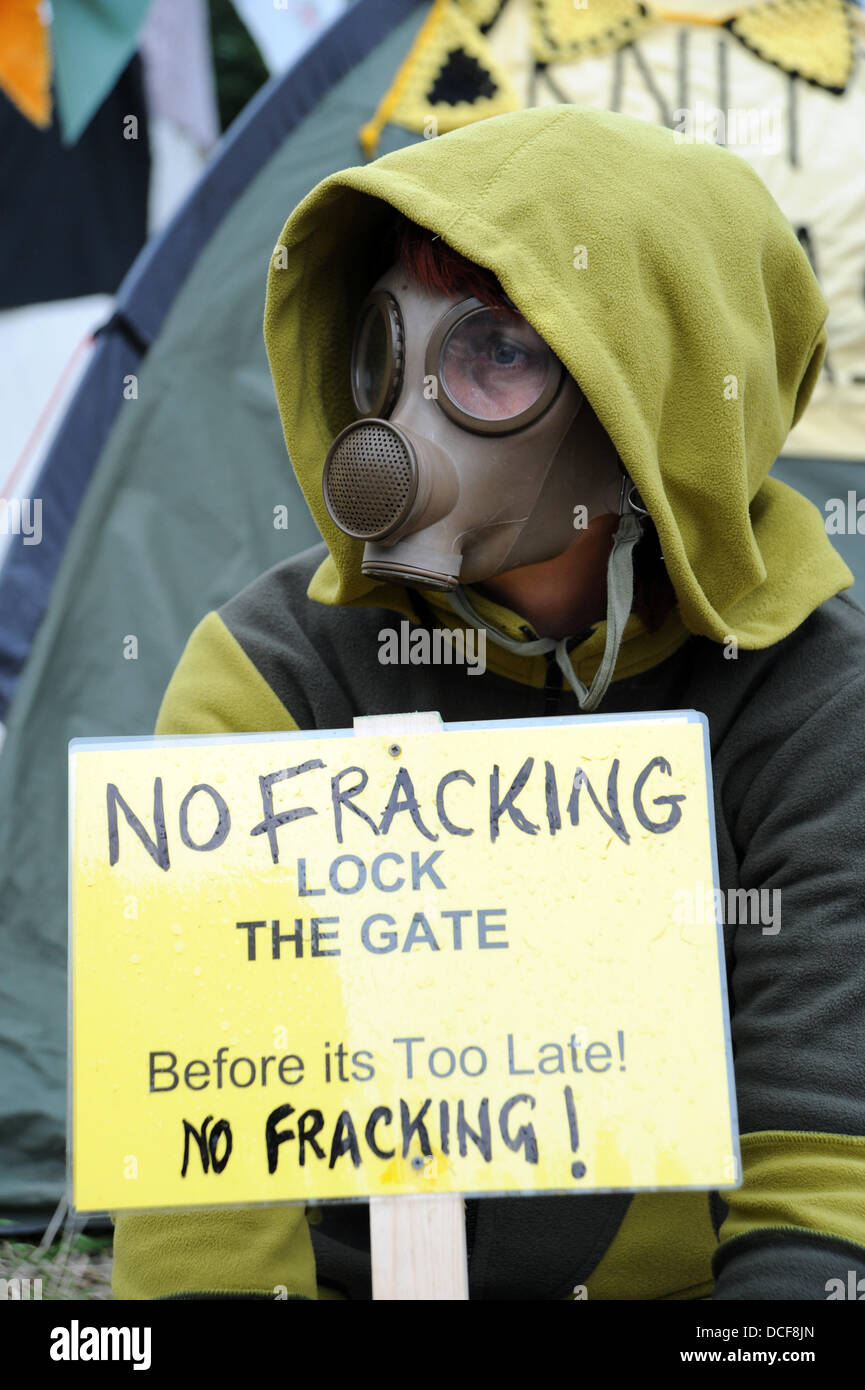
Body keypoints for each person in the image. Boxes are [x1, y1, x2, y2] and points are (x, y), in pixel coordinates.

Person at [112, 105, 865, 1300]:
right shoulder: (268, 680)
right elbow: (205, 1200)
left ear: (649, 401)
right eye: (386, 348)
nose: (398, 420)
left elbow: (822, 1165)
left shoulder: (812, 699)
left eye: (496, 352)